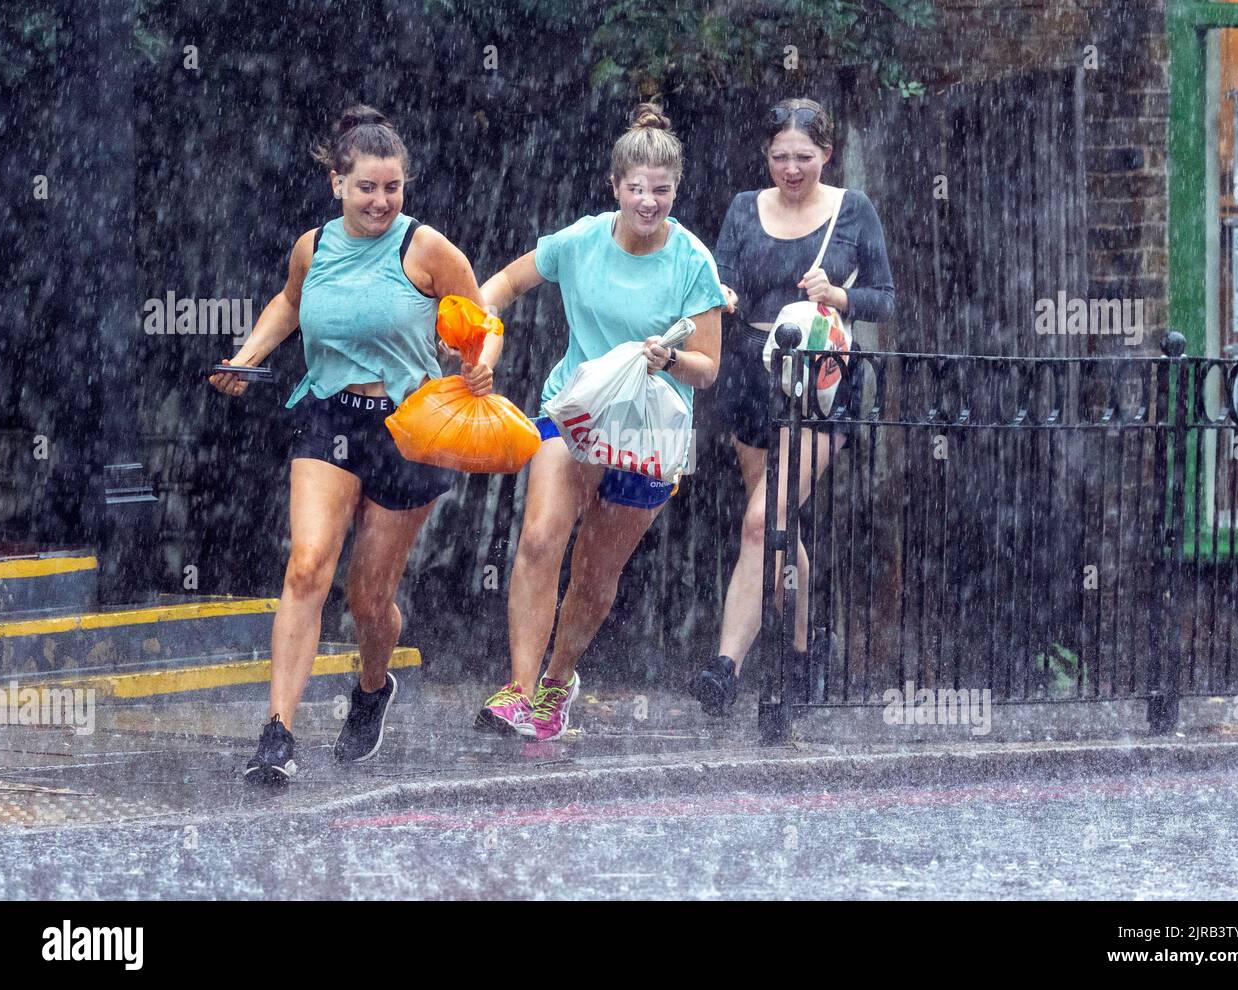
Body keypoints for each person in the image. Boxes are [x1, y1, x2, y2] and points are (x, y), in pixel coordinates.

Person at [210, 105, 499, 783]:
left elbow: (479, 319)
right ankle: (277, 733)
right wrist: (247, 356)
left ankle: (372, 689)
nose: (380, 200)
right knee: (307, 566)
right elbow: (289, 300)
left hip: (409, 429)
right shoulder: (313, 246)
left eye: (392, 188)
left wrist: (478, 363)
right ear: (338, 183)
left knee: (368, 601)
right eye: (367, 186)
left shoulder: (425, 248)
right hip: (328, 415)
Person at [475, 102, 725, 742]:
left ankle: (556, 683)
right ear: (615, 187)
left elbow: (708, 369)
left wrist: (668, 356)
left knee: (593, 574)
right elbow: (503, 282)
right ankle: (518, 689)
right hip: (576, 410)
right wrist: (476, 328)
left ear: (676, 191)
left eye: (661, 191)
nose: (648, 202)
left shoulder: (693, 261)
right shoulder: (580, 240)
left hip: (647, 433)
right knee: (537, 542)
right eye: (636, 189)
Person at [688, 97, 894, 716]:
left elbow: (884, 297)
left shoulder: (854, 211)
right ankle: (805, 653)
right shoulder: (743, 209)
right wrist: (718, 294)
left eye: (804, 156)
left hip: (821, 376)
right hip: (751, 373)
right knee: (776, 527)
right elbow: (717, 278)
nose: (792, 168)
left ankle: (725, 668)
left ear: (826, 154)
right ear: (767, 157)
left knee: (761, 522)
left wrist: (838, 295)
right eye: (781, 157)